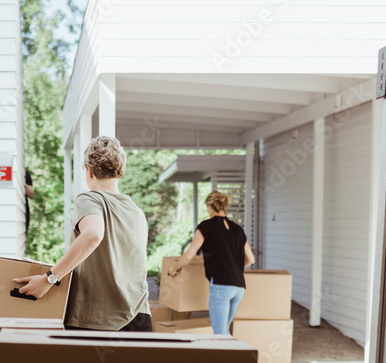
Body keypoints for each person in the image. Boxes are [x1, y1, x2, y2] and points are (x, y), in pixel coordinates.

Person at [14, 136, 151, 332]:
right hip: (139, 319)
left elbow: (93, 234)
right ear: (121, 171)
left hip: (98, 320)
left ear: (89, 170)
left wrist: (48, 279)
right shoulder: (136, 212)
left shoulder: (90, 199)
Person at [167, 191, 255, 335]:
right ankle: (231, 356)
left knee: (219, 333)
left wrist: (173, 269)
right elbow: (251, 259)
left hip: (222, 287)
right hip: (239, 287)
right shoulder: (237, 229)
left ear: (209, 206)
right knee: (224, 331)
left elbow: (189, 256)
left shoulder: (206, 226)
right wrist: (234, 269)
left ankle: (229, 357)